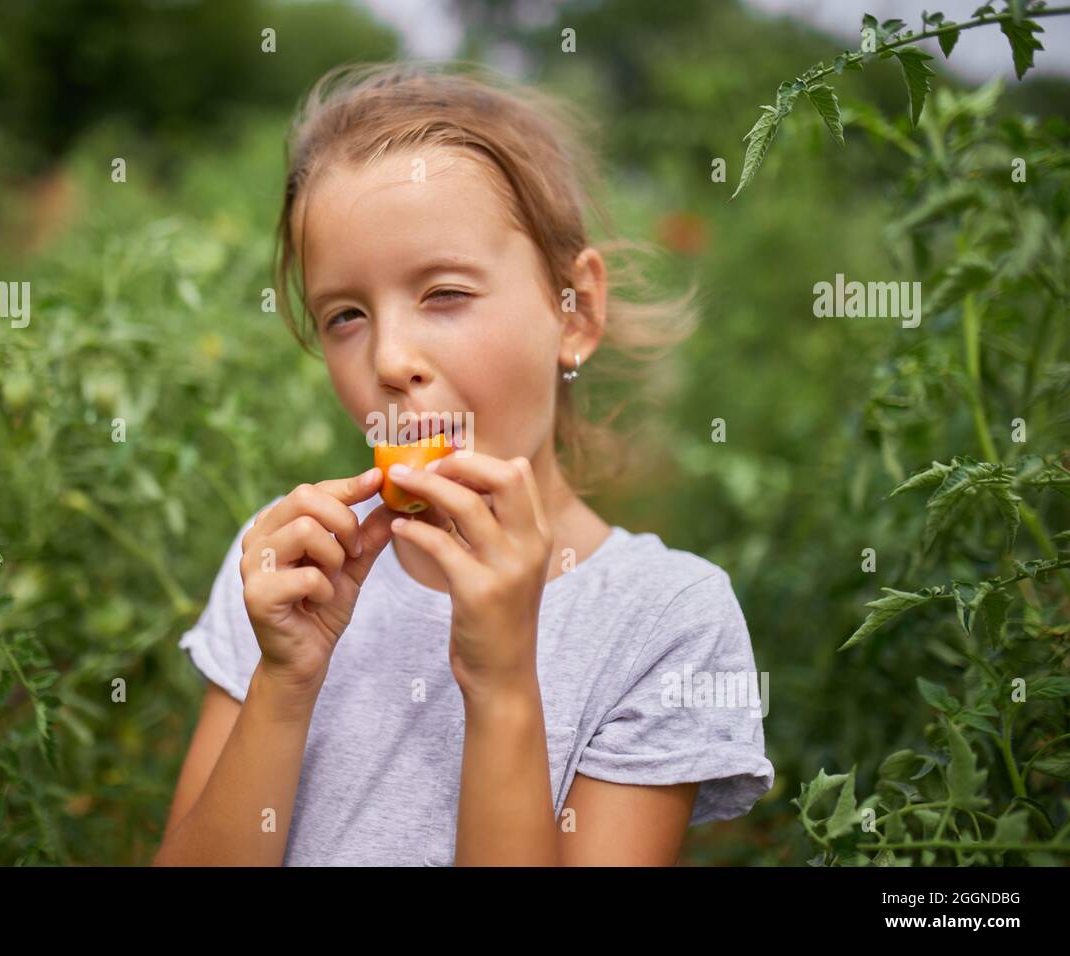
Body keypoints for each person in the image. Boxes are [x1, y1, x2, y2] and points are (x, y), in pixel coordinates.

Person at [154, 61, 773, 866]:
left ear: (574, 311)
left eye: (444, 294)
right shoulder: (286, 571)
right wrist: (283, 682)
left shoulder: (663, 620)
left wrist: (504, 681)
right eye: (345, 315)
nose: (390, 357)